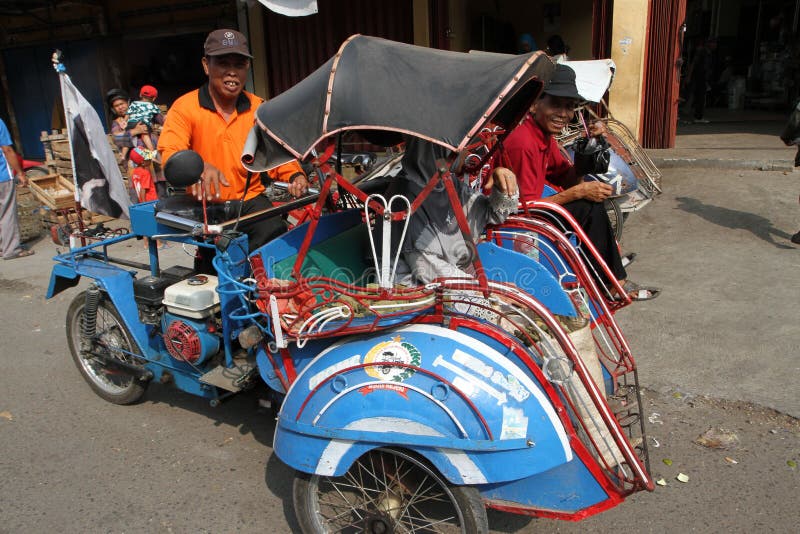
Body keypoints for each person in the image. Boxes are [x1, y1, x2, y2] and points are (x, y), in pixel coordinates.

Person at [501, 64, 659, 300]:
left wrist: (586, 154)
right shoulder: (523, 141)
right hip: (514, 220)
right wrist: (580, 191)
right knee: (586, 205)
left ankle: (607, 267)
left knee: (590, 202)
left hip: (532, 211)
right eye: (556, 104)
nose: (564, 114)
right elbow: (524, 210)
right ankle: (613, 281)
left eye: (570, 107)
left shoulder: (543, 136)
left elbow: (566, 179)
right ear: (534, 104)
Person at [158, 28, 309, 257]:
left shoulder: (259, 108)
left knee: (277, 245)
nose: (232, 73)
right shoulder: (185, 107)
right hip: (208, 206)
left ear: (247, 68)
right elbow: (170, 151)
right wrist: (199, 167)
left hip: (250, 202)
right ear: (206, 65)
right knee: (215, 271)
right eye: (223, 64)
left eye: (239, 65)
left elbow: (275, 152)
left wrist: (294, 174)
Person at [388, 137, 518, 286]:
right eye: (463, 146)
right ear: (444, 148)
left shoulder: (444, 181)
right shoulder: (404, 195)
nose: (467, 151)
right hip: (411, 293)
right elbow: (427, 269)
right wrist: (490, 289)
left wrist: (503, 185)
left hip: (450, 284)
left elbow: (492, 214)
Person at [107, 89, 167, 199]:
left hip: (154, 163)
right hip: (136, 166)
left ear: (128, 103)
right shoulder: (118, 123)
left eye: (122, 104)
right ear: (113, 109)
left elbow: (165, 122)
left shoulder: (143, 110)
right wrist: (135, 131)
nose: (120, 107)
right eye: (116, 106)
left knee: (160, 193)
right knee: (139, 195)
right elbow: (117, 138)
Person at [0, 117, 34, 260]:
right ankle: (11, 250)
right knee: (7, 212)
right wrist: (20, 173)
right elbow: (7, 149)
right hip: (2, 177)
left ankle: (3, 247)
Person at [125, 85, 163, 155]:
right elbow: (162, 121)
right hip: (143, 124)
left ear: (140, 95)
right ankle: (151, 153)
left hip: (131, 124)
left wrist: (125, 123)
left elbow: (128, 114)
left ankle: (123, 155)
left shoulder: (133, 103)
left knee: (128, 142)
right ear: (154, 98)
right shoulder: (153, 106)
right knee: (145, 136)